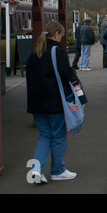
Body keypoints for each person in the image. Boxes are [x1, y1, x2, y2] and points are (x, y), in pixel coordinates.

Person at [26, 21, 77, 184]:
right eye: (61, 35)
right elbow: (67, 75)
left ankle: (36, 170)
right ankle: (58, 170)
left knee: (44, 136)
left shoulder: (35, 52)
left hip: (36, 104)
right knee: (58, 136)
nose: (62, 38)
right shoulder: (58, 51)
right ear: (56, 34)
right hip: (55, 103)